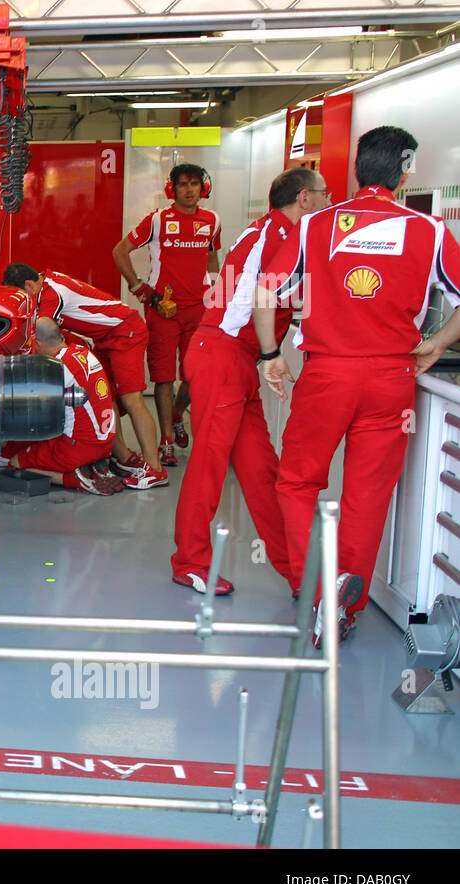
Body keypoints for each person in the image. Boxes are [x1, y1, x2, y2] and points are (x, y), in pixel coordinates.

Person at [262, 125, 460, 646]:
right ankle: (344, 607)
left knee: (298, 482)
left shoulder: (314, 226)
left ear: (355, 170)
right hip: (393, 379)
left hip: (327, 374)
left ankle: (317, 593)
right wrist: (436, 344)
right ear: (405, 171)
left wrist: (269, 356)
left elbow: (266, 291)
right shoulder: (431, 230)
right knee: (368, 498)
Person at [169, 168, 330, 596]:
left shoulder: (267, 231)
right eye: (324, 194)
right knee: (208, 467)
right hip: (222, 356)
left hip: (234, 359)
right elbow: (265, 294)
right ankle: (190, 562)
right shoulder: (281, 235)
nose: (330, 201)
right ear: (305, 199)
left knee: (261, 472)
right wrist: (272, 355)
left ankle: (299, 575)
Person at [3, 263, 168, 490]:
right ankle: (125, 458)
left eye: (22, 295)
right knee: (105, 397)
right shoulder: (46, 284)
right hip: (106, 336)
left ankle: (155, 469)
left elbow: (35, 337)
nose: (24, 301)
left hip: (124, 331)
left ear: (29, 285)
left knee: (132, 401)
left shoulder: (52, 294)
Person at [113, 163, 221, 467]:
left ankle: (176, 415)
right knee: (163, 378)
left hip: (198, 309)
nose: (189, 190)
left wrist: (215, 294)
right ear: (172, 189)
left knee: (194, 376)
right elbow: (120, 251)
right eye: (183, 184)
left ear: (204, 188)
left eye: (194, 184)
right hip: (163, 309)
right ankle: (165, 441)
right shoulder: (158, 220)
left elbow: (212, 256)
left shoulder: (213, 220)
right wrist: (140, 289)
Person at [0, 317, 122, 495]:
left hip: (80, 447)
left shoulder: (56, 369)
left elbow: (32, 414)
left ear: (38, 342)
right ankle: (91, 465)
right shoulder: (83, 352)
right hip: (106, 444)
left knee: (14, 463)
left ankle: (75, 479)